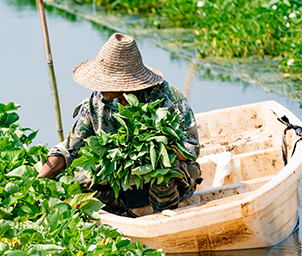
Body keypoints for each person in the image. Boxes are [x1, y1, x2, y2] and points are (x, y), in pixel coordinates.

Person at [38, 33, 201, 215]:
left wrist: (148, 155)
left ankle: (162, 221)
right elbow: (69, 150)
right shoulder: (97, 103)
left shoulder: (166, 98)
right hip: (123, 184)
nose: (99, 87)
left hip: (172, 184)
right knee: (81, 182)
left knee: (162, 173)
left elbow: (191, 149)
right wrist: (37, 181)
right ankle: (125, 220)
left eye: (105, 82)